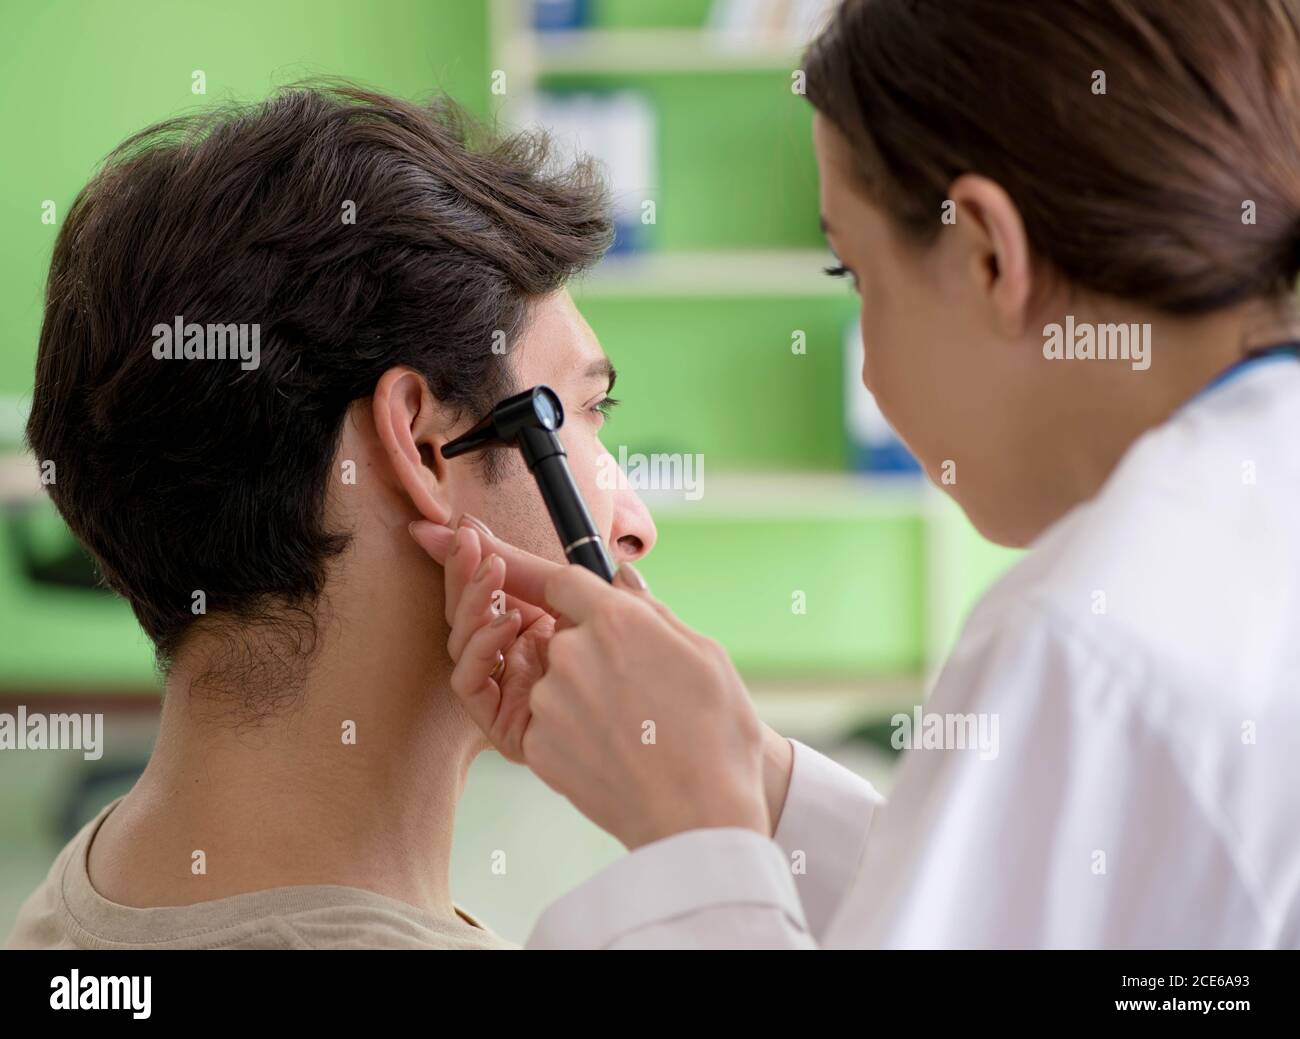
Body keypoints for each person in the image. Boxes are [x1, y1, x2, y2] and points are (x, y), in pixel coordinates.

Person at [412, 0, 1300, 948]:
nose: (868, 371)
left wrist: (692, 834)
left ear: (989, 253)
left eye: (854, 273)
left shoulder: (1078, 642)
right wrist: (749, 773)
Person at [6, 83, 656, 950]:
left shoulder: (83, 898)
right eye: (582, 411)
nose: (638, 525)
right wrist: (703, 840)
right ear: (423, 445)